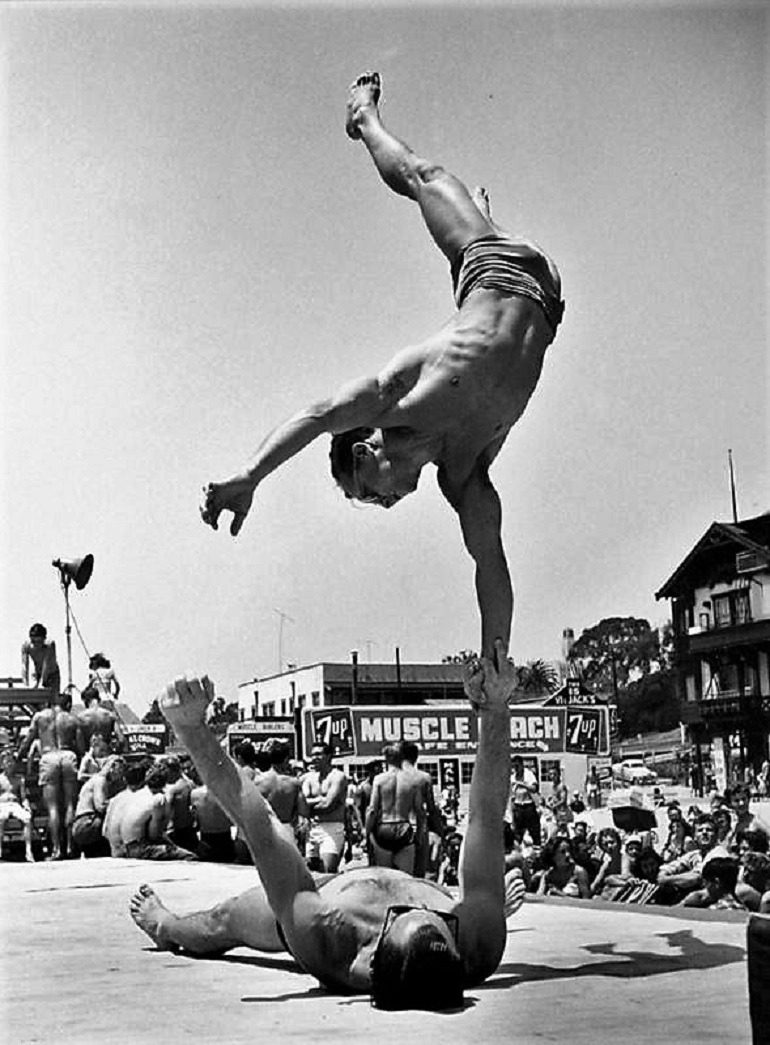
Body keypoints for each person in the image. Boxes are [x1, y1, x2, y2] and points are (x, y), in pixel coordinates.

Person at [199, 72, 563, 663]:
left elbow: (318, 415)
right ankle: (485, 214)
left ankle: (363, 117)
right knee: (459, 220)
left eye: (367, 494)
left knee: (425, 178)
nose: (384, 505)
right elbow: (490, 564)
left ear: (366, 451)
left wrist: (250, 475)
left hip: (491, 263)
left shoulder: (392, 396)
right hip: (545, 298)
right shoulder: (462, 474)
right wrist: (496, 664)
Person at [131, 644, 514, 1009]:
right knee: (483, 903)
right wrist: (496, 708)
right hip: (366, 888)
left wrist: (191, 730)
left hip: (326, 894)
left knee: (225, 920)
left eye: (403, 915)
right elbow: (486, 815)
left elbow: (260, 823)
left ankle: (166, 926)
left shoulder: (326, 935)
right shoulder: (478, 943)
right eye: (436, 918)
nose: (411, 907)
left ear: (372, 956)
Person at [17, 689, 84, 860]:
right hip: (68, 755)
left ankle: (56, 850)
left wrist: (19, 755)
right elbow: (81, 747)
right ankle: (70, 846)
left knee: (53, 808)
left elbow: (28, 739)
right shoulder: (72, 718)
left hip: (49, 756)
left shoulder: (40, 717)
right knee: (70, 804)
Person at [365, 743, 425, 874]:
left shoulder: (379, 780)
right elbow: (420, 812)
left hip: (384, 827)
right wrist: (419, 836)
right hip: (403, 826)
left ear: (386, 758)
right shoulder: (413, 781)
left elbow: (372, 810)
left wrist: (367, 833)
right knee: (406, 877)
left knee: (385, 875)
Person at [300, 742, 348, 873]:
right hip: (312, 829)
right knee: (310, 873)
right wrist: (319, 800)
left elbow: (328, 804)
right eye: (312, 754)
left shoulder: (338, 777)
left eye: (318, 754)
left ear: (328, 756)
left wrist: (309, 806)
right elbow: (300, 803)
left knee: (328, 871)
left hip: (331, 828)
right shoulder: (308, 778)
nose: (314, 758)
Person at [400, 741, 443, 879]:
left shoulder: (389, 777)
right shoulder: (424, 778)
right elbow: (431, 808)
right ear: (416, 756)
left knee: (400, 873)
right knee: (419, 874)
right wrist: (439, 829)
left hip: (395, 826)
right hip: (417, 827)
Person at [71, 755, 126, 858]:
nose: (121, 774)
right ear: (113, 766)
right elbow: (100, 806)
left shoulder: (99, 780)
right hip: (87, 824)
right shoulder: (100, 780)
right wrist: (117, 801)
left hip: (84, 824)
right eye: (120, 770)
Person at [0, 751, 35, 862]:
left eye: (11, 762)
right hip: (2, 804)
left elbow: (23, 797)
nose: (9, 764)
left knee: (27, 819)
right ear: (2, 764)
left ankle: (28, 850)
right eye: (7, 762)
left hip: (15, 804)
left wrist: (26, 805)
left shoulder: (19, 779)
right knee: (1, 818)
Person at [77, 687, 125, 753]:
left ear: (85, 701)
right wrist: (116, 752)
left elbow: (79, 742)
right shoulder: (110, 715)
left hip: (89, 755)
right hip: (106, 754)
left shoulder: (80, 717)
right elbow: (121, 739)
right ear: (99, 698)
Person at [21, 623, 61, 696]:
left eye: (39, 642)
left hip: (52, 674)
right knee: (34, 699)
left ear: (44, 639)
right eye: (33, 642)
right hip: (38, 673)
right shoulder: (26, 646)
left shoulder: (49, 645)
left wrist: (41, 684)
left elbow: (46, 665)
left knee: (53, 699)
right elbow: (24, 666)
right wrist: (25, 684)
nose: (36, 645)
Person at [510, 755, 541, 846]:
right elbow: (512, 796)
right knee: (518, 832)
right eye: (514, 766)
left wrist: (523, 785)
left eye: (517, 766)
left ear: (522, 765)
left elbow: (534, 788)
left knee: (534, 830)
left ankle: (537, 847)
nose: (516, 768)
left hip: (528, 805)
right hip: (518, 806)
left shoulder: (528, 774)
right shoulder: (512, 777)